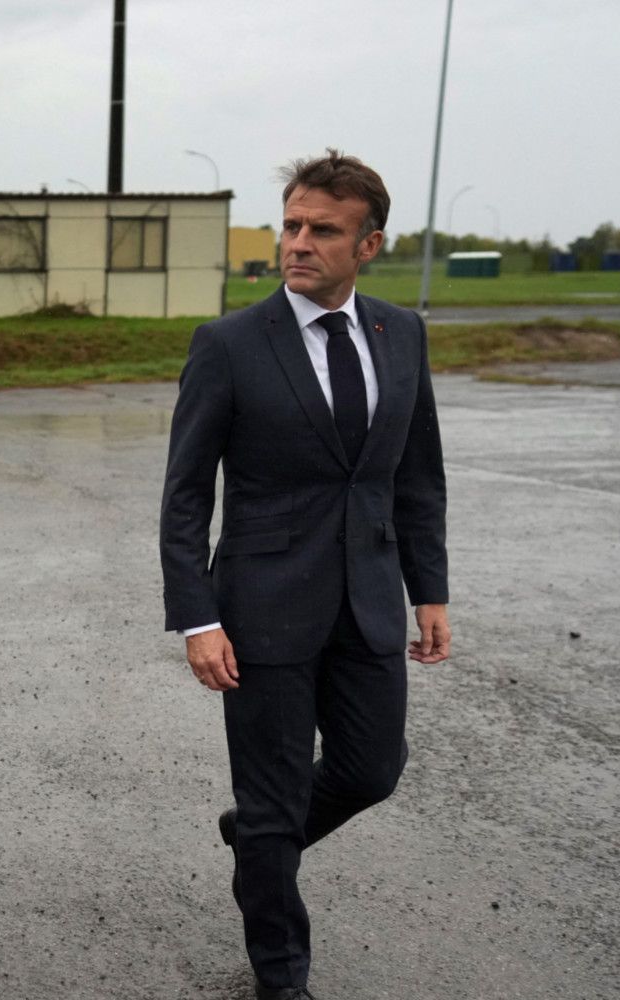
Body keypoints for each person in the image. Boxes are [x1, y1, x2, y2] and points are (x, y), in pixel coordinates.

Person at [157, 149, 451, 1000]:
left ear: (369, 245)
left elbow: (417, 475)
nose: (298, 243)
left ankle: (255, 837)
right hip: (262, 609)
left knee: (370, 771)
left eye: (322, 230)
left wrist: (429, 592)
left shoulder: (403, 334)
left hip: (368, 602)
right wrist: (197, 618)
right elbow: (184, 497)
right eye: (291, 225)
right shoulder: (230, 345)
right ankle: (282, 974)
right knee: (277, 800)